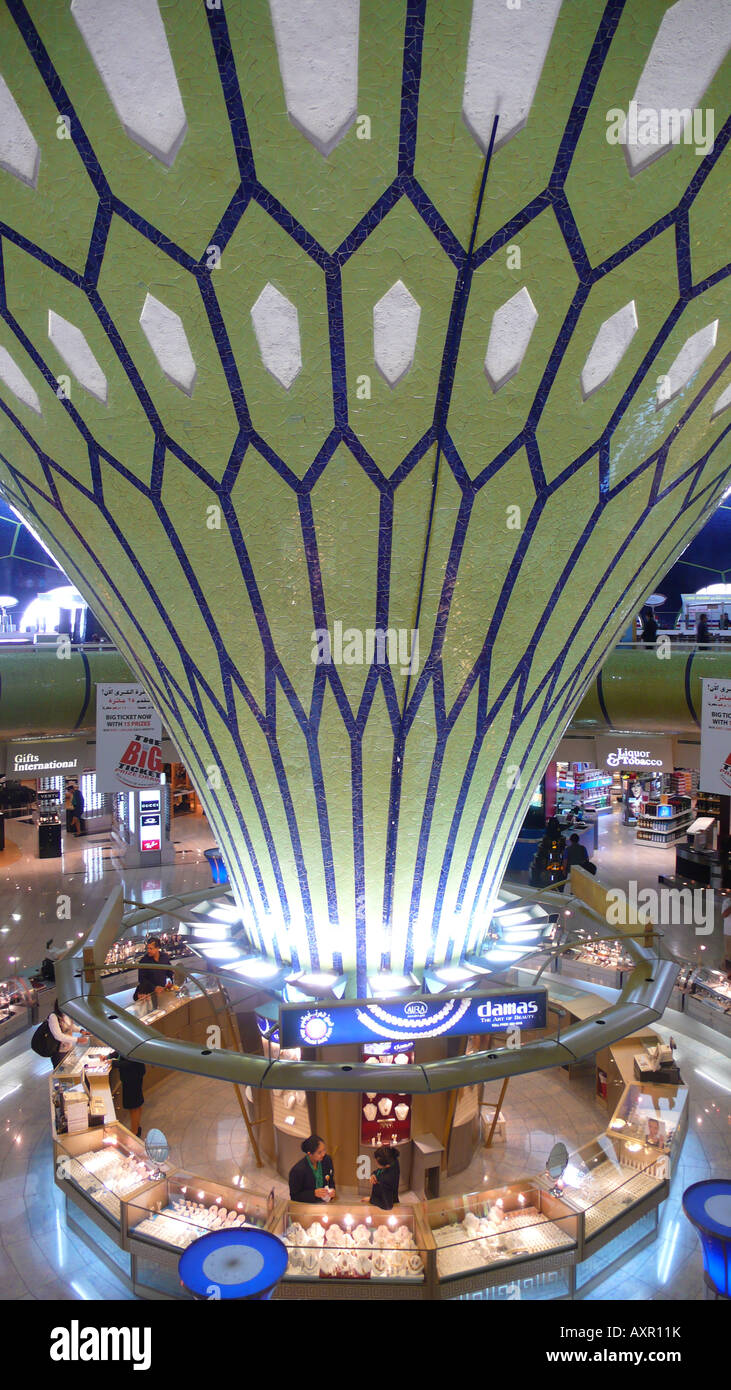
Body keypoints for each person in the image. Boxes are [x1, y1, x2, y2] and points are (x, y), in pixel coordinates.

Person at [288, 1134, 336, 1204]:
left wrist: (332, 1190)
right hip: (308, 1205)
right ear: (309, 1154)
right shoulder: (298, 1171)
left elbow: (331, 1180)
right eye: (319, 1152)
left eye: (324, 1150)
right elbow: (294, 1196)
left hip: (325, 1203)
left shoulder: (327, 1160)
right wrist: (313, 1193)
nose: (323, 1154)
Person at [113, 1053, 146, 1138]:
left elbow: (130, 1062)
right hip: (133, 1076)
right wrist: (109, 1057)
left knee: (134, 1106)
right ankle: (136, 1127)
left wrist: (113, 1063)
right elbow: (120, 1052)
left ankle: (134, 1132)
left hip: (132, 1077)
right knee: (135, 1104)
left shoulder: (134, 1048)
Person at [135, 936, 174, 1001]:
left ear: (157, 948)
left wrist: (172, 978)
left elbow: (169, 970)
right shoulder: (144, 961)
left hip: (162, 992)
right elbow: (142, 980)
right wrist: (154, 988)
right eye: (148, 948)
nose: (148, 951)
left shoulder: (164, 957)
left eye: (151, 948)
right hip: (149, 995)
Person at [46, 999, 79, 1069]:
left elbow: (70, 1026)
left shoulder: (66, 1014)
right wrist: (77, 1039)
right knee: (63, 1075)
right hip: (59, 1052)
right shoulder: (53, 1017)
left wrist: (81, 1031)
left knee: (74, 1071)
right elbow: (58, 1036)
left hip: (69, 1049)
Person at [369, 1145, 400, 1210]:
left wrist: (371, 1199)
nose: (376, 1163)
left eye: (377, 1163)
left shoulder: (385, 1180)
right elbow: (380, 1170)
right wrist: (374, 1174)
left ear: (387, 1165)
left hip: (383, 1201)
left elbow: (387, 1206)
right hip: (389, 1194)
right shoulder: (393, 1160)